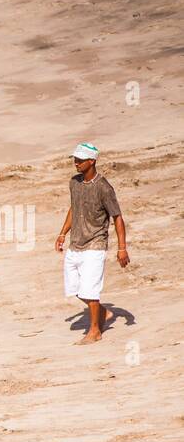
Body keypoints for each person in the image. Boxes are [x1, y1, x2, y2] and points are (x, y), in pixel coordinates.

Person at [55, 142, 128, 345]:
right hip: (76, 243)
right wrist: (62, 233)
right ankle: (103, 312)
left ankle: (95, 331)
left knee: (90, 289)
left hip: (96, 244)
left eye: (80, 160)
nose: (76, 163)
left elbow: (117, 218)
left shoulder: (104, 187)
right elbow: (74, 207)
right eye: (75, 159)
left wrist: (122, 248)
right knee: (75, 289)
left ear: (92, 161)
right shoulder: (74, 183)